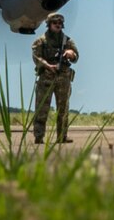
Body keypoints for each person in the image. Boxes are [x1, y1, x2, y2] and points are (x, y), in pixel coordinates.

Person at [31, 12, 79, 144]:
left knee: (63, 108)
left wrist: (71, 54)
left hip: (63, 77)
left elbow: (76, 57)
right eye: (55, 23)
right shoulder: (41, 41)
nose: (58, 25)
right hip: (46, 77)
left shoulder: (67, 41)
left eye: (60, 23)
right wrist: (47, 65)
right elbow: (36, 57)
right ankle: (39, 136)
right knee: (42, 108)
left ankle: (62, 136)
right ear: (49, 24)